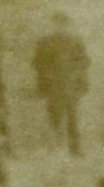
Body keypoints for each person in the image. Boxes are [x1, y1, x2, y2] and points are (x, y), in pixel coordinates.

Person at [32, 12, 90, 154]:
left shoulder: (75, 41)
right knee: (54, 113)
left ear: (67, 25)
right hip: (53, 83)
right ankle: (54, 144)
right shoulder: (45, 42)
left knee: (72, 115)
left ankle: (74, 147)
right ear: (53, 25)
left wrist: (77, 75)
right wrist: (47, 75)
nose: (60, 27)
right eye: (57, 24)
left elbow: (84, 60)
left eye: (63, 24)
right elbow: (37, 62)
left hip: (70, 83)